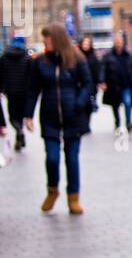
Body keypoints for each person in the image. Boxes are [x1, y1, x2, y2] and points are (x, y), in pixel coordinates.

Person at [23, 23, 92, 214]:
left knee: (72, 159)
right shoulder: (41, 62)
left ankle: (73, 197)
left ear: (58, 39)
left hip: (73, 116)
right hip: (50, 116)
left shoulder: (76, 59)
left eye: (48, 38)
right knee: (52, 158)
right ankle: (52, 190)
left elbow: (87, 84)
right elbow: (33, 90)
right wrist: (28, 115)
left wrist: (80, 101)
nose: (45, 41)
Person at [101, 31, 132, 133]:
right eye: (116, 41)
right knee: (115, 105)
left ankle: (128, 122)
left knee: (127, 102)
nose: (118, 43)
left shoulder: (128, 55)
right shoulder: (108, 56)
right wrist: (102, 81)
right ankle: (117, 122)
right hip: (113, 86)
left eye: (120, 41)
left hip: (126, 84)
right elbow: (103, 69)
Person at [0, 34, 32, 150]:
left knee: (12, 116)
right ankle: (20, 130)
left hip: (11, 92)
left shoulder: (4, 56)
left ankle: (18, 130)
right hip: (24, 92)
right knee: (20, 115)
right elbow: (31, 75)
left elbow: (1, 74)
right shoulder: (26, 57)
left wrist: (2, 88)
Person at [78, 35, 101, 115]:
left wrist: (99, 81)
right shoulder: (77, 56)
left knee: (89, 107)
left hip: (91, 85)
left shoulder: (93, 57)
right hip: (79, 85)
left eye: (87, 44)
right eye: (84, 44)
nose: (85, 46)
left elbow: (97, 71)